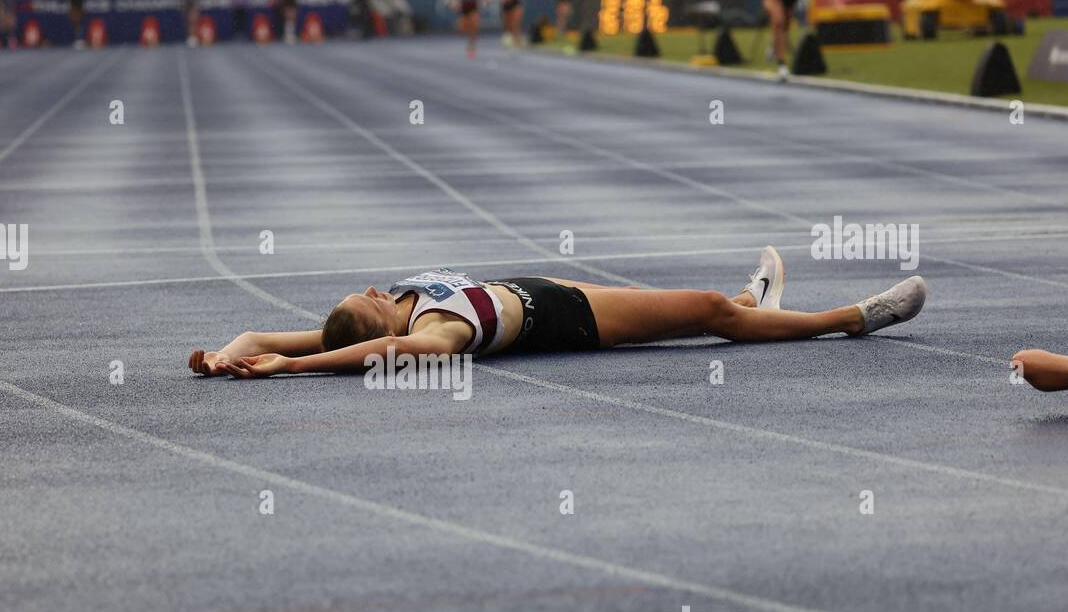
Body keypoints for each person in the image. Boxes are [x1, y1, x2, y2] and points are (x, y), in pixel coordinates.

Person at [187, 248, 930, 378]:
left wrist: (230, 354)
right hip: (570, 321)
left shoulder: (390, 313)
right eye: (371, 303)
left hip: (545, 289)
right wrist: (297, 365)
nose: (377, 291)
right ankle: (849, 318)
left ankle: (754, 305)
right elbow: (404, 357)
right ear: (380, 328)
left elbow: (253, 332)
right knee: (705, 312)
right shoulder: (426, 335)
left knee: (710, 311)